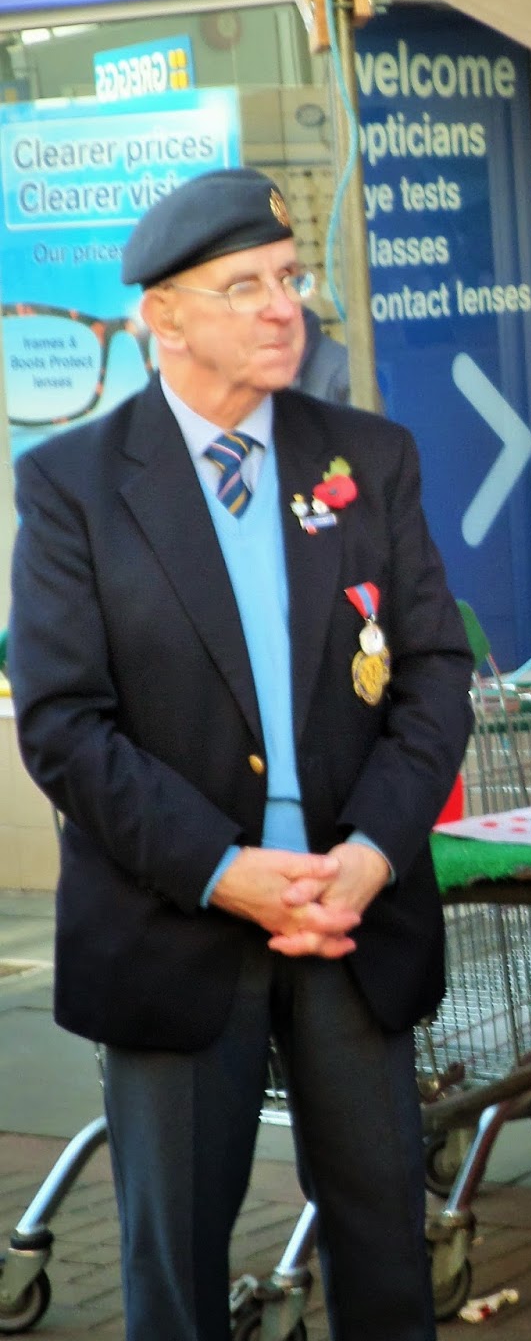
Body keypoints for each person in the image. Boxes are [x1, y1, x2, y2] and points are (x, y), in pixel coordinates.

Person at [7, 166, 474, 1341]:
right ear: (162, 315)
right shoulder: (69, 486)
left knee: (383, 1251)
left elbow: (432, 673)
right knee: (174, 1260)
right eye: (243, 287)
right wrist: (225, 868)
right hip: (174, 925)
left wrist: (367, 852)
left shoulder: (368, 455)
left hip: (351, 918)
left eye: (289, 280)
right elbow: (63, 720)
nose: (282, 308)